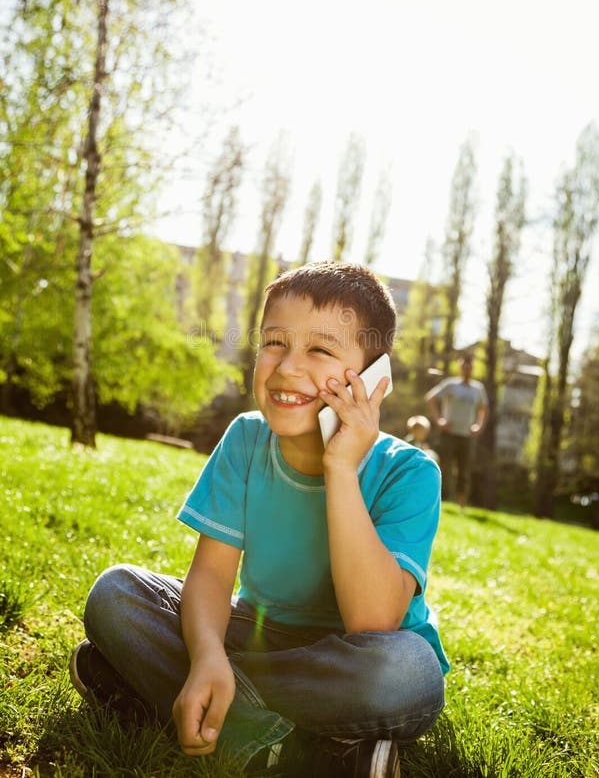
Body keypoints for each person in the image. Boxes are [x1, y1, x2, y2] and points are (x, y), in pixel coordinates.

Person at [69, 261, 449, 778]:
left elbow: (372, 620)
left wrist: (340, 467)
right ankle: (299, 737)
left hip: (360, 657)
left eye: (319, 350)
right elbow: (212, 575)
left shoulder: (409, 472)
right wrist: (206, 653)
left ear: (372, 382)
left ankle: (155, 686)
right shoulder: (247, 439)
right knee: (115, 595)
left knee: (408, 673)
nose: (288, 367)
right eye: (273, 343)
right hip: (256, 631)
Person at [425, 352, 488, 509]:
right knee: (444, 467)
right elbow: (430, 398)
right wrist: (439, 420)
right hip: (449, 434)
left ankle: (461, 505)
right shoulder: (451, 385)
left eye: (469, 366)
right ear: (460, 368)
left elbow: (483, 409)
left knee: (464, 471)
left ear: (472, 368)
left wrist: (479, 426)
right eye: (464, 366)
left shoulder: (478, 389)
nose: (466, 369)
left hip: (466, 435)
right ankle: (441, 500)